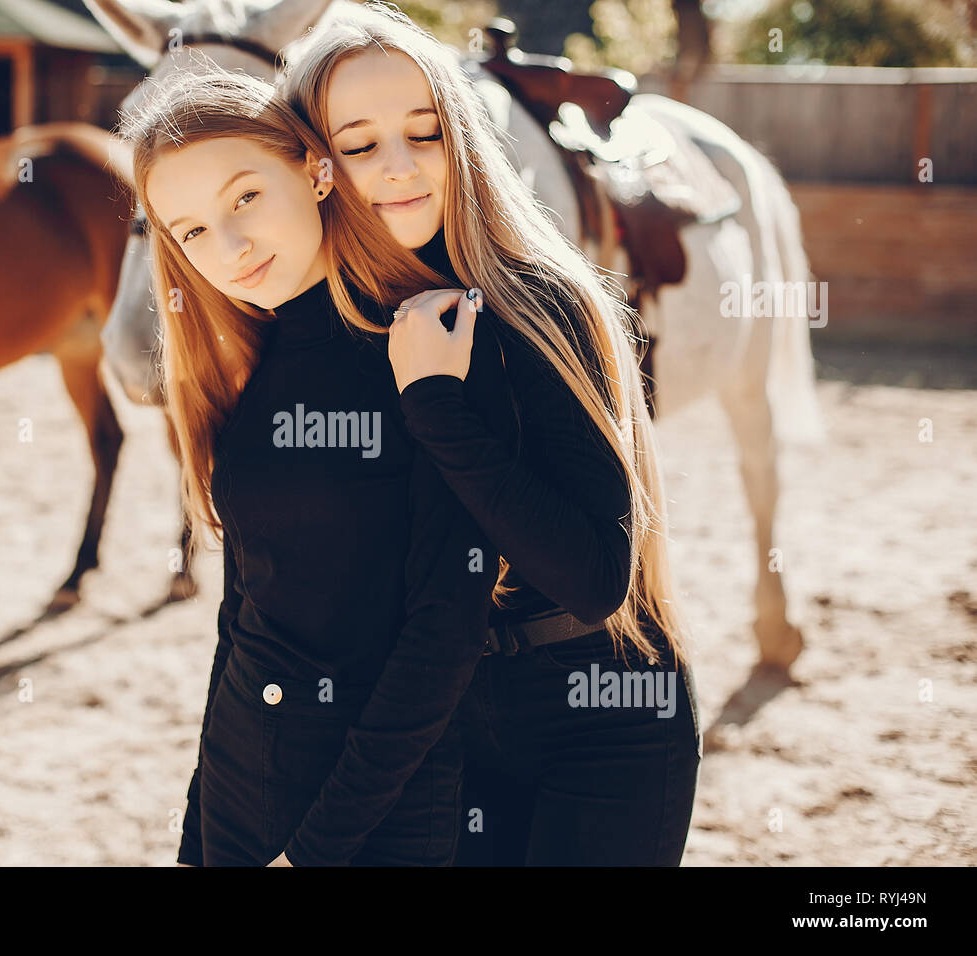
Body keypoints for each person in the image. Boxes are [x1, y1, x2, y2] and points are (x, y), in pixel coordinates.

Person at [281, 2, 703, 865]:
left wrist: (436, 403)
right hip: (437, 726)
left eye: (424, 133)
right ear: (317, 166)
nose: (400, 167)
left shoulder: (542, 303)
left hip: (603, 721)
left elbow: (595, 579)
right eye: (359, 145)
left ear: (462, 138)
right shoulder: (320, 325)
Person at [122, 66, 515, 866]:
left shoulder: (425, 351)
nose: (229, 248)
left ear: (315, 170)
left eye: (244, 198)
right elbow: (243, 619)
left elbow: (444, 632)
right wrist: (199, 829)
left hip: (370, 811)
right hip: (240, 785)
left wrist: (313, 852)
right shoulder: (252, 364)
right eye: (192, 231)